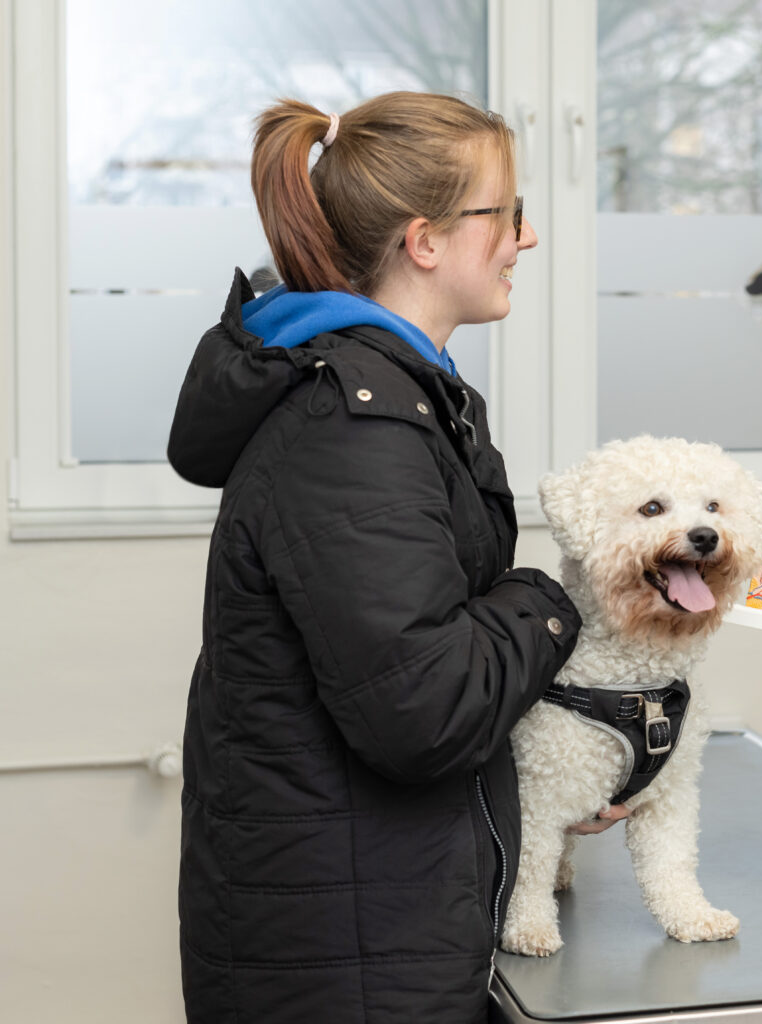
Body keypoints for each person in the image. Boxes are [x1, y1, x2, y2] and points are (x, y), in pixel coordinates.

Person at [167, 93, 589, 1023]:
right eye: (507, 213)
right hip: (341, 961)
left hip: (370, 919)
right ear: (425, 241)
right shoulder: (354, 428)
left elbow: (408, 661)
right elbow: (423, 712)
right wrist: (551, 602)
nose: (528, 237)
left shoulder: (388, 394)